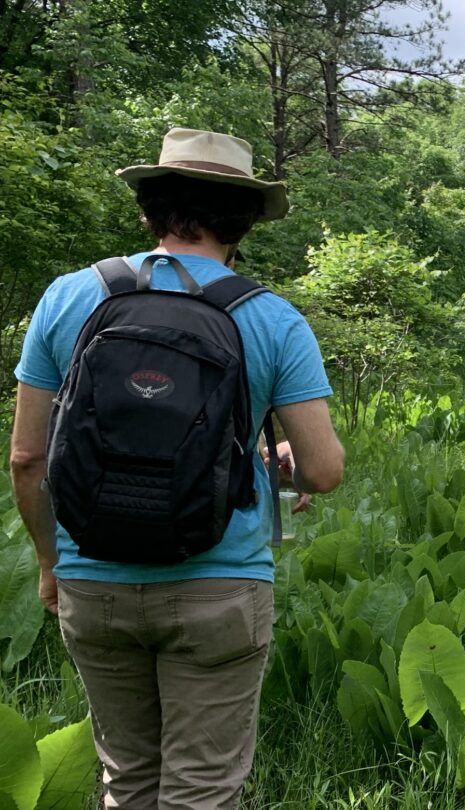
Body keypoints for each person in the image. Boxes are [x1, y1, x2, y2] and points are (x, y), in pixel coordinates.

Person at [8, 128, 345, 809]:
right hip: (218, 588)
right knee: (200, 791)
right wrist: (278, 466)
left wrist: (50, 564)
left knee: (125, 779)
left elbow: (26, 457)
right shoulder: (272, 319)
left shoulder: (69, 298)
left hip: (91, 581)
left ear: (150, 208)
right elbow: (324, 469)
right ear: (246, 219)